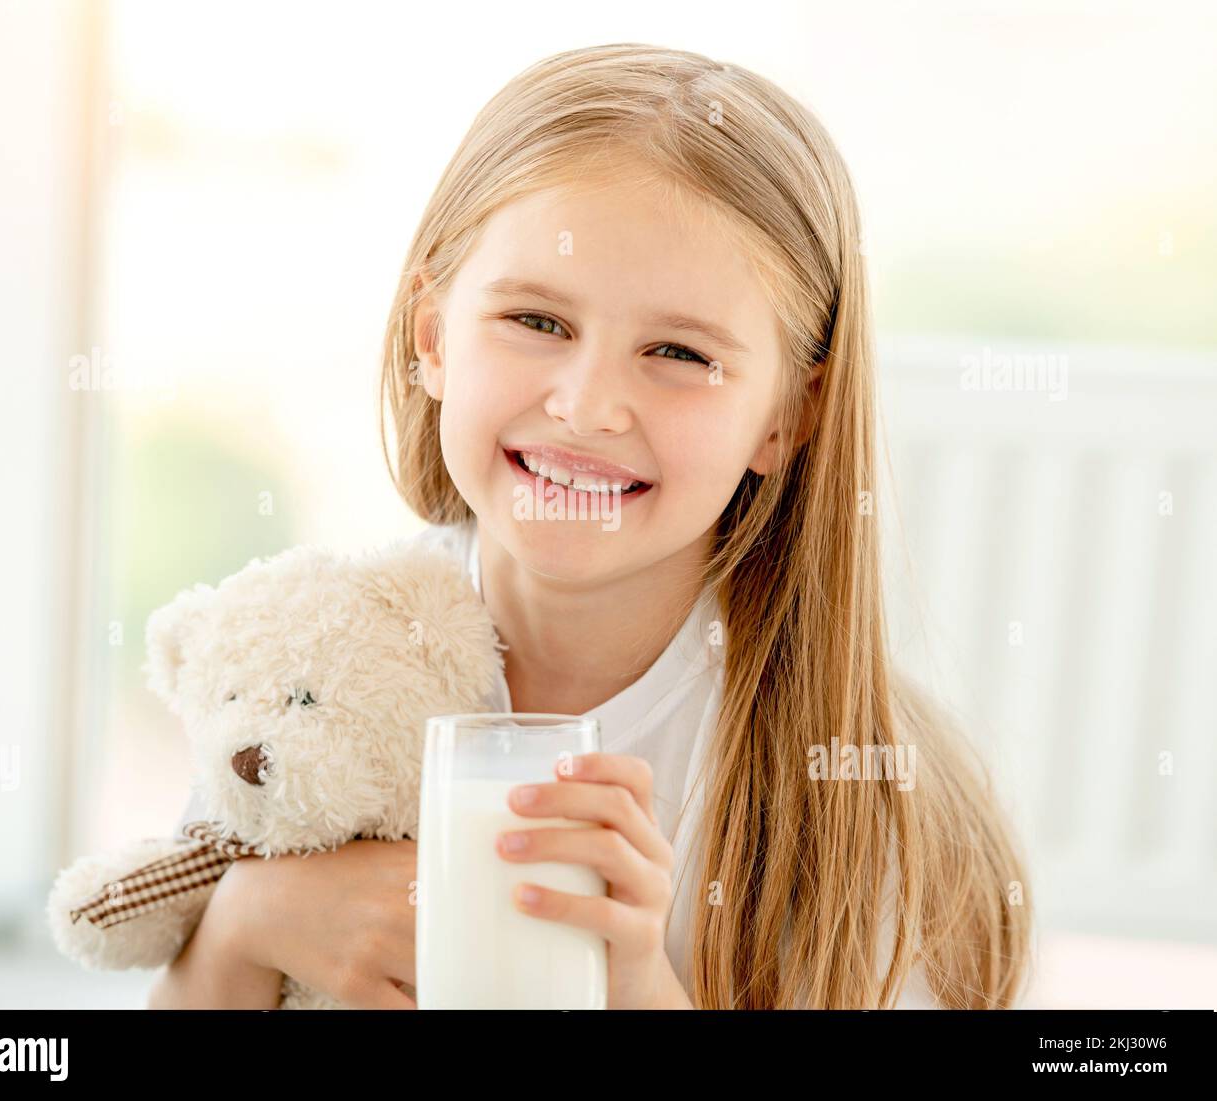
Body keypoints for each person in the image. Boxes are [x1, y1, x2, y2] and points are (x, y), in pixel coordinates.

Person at [149, 42, 1033, 1011]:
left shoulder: (869, 795)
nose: (586, 406)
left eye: (677, 351)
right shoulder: (308, 661)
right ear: (433, 337)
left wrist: (633, 982)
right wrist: (243, 927)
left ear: (787, 417)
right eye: (537, 323)